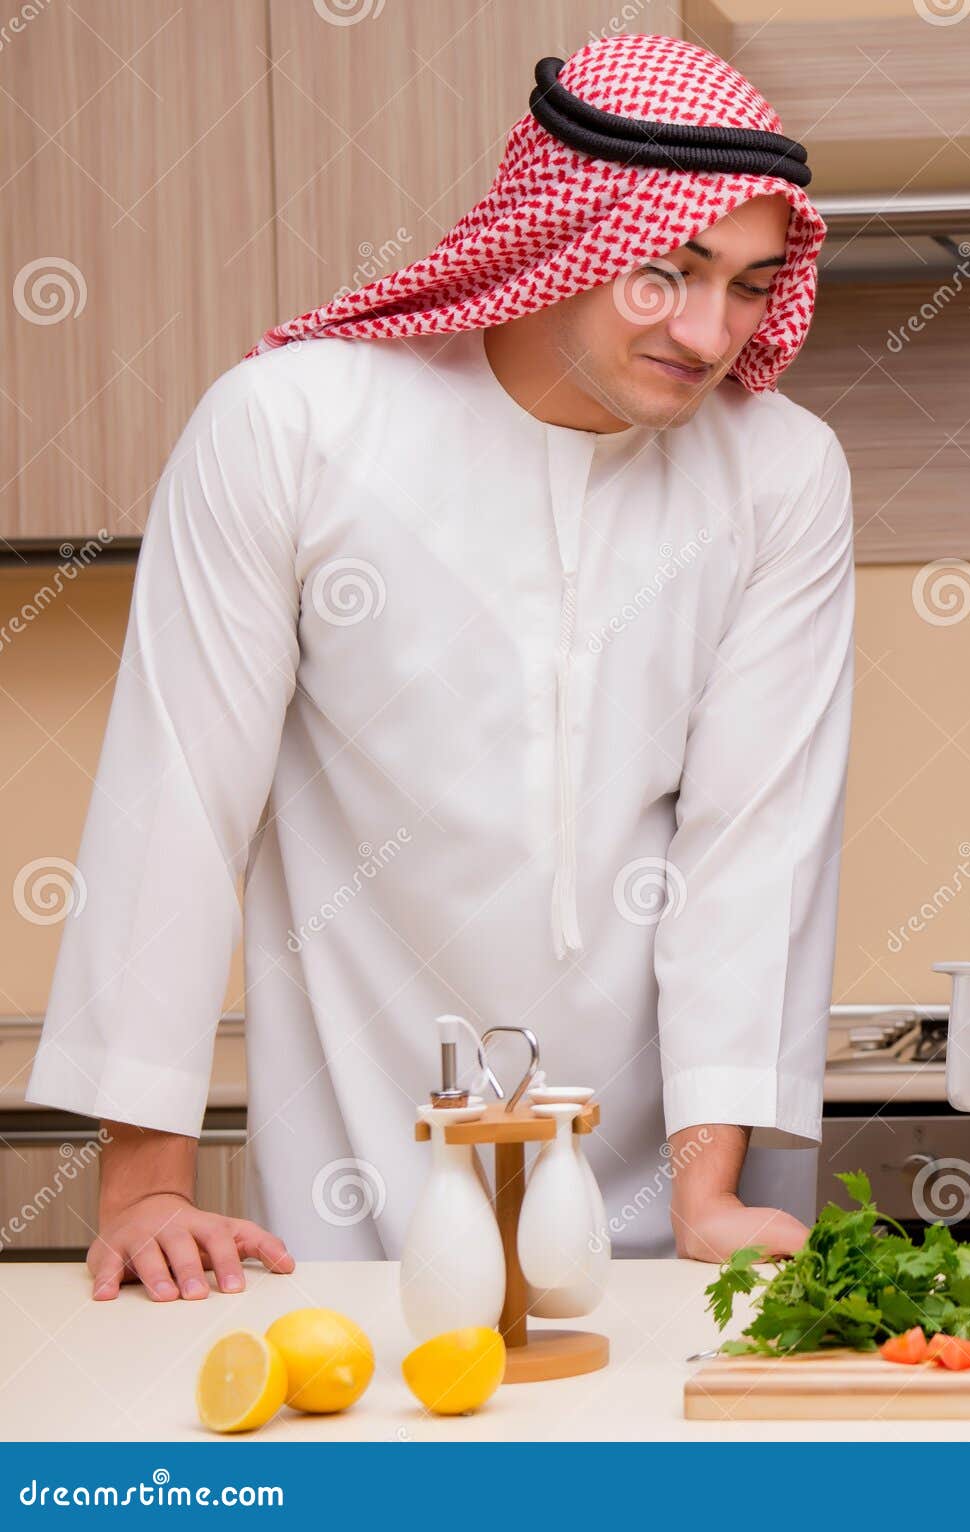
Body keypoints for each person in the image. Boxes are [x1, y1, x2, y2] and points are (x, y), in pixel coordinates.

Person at [28, 35, 854, 1299]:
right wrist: (145, 1184)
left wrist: (706, 1196)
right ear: (556, 236)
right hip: (363, 1179)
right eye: (668, 271)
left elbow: (750, 842)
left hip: (681, 1203)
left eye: (749, 284)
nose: (709, 330)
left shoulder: (784, 473)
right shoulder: (292, 427)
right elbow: (183, 802)